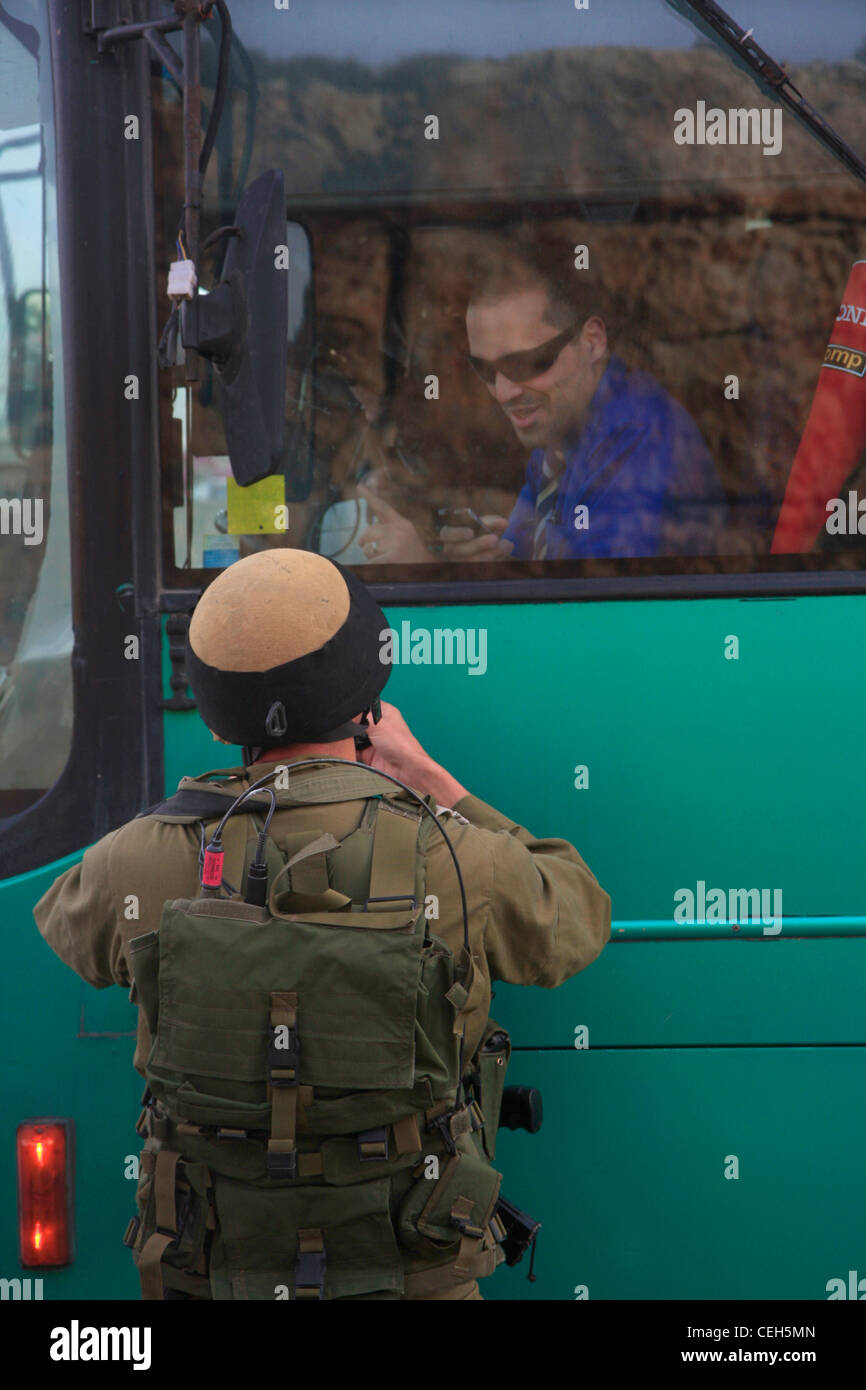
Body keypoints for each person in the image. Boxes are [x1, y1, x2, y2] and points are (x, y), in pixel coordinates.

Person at [33, 549, 611, 1300]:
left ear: (215, 716)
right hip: (412, 1274)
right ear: (368, 700)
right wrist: (427, 778)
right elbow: (576, 913)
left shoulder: (136, 861)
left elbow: (66, 923)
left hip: (212, 1278)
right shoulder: (458, 858)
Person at [356, 237, 729, 563]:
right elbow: (533, 562)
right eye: (485, 370)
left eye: (526, 363)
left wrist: (422, 572)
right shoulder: (561, 433)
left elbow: (597, 619)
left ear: (592, 341)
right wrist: (484, 558)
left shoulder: (637, 440)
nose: (504, 392)